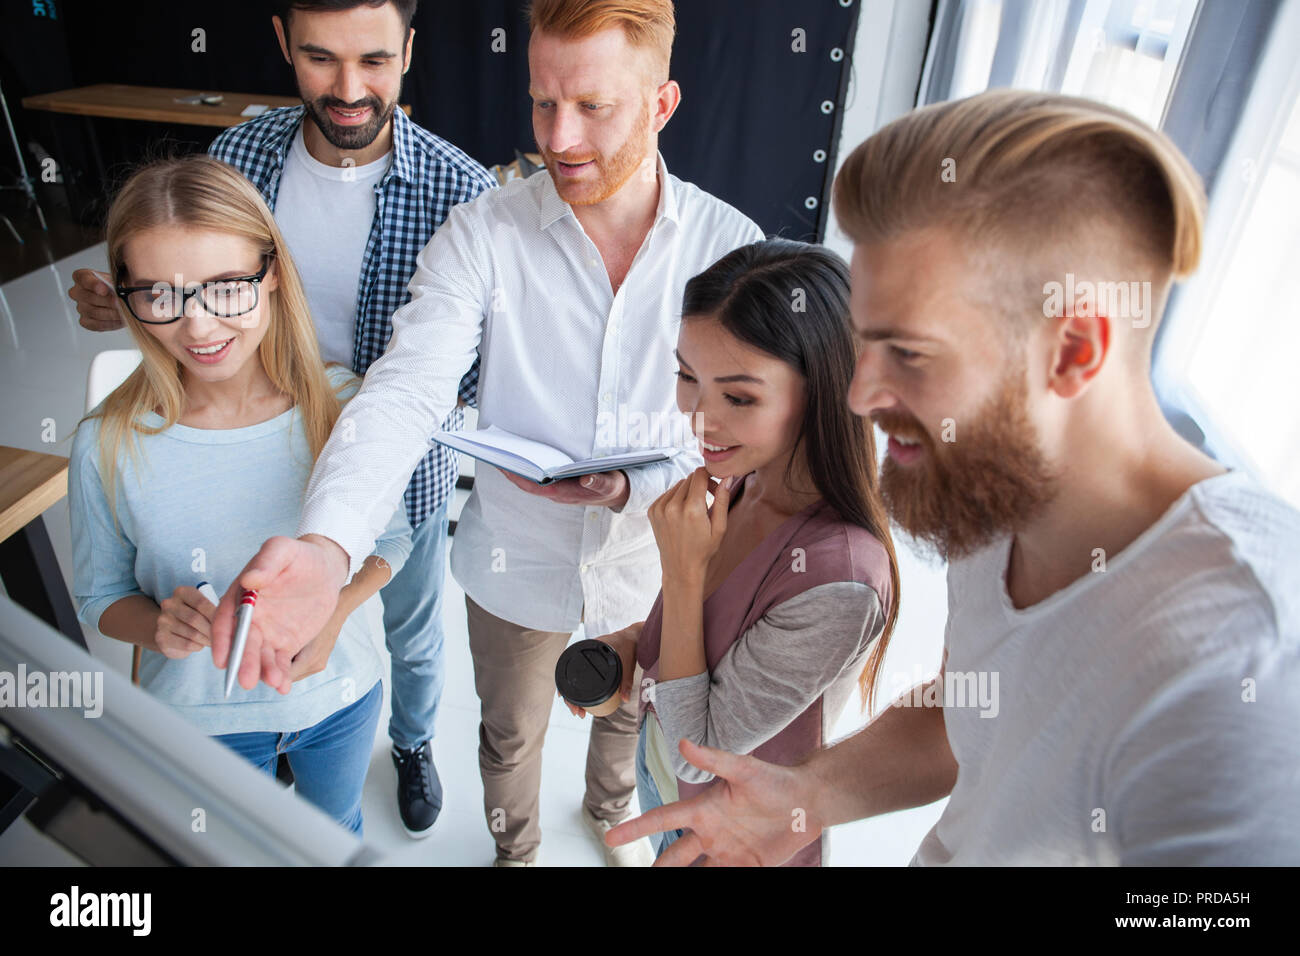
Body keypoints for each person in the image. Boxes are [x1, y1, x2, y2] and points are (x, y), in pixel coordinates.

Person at [605, 89, 1300, 866]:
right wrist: (804, 798)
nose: (860, 397)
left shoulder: (1244, 661)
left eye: (910, 354)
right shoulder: (993, 499)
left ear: (1074, 351)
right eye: (865, 344)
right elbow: (959, 710)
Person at [206, 0, 766, 867]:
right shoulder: (482, 231)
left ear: (662, 104)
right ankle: (516, 851)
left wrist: (637, 485)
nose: (559, 137)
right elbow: (406, 390)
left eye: (593, 107)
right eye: (543, 104)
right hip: (517, 562)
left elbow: (747, 436)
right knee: (508, 734)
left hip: (660, 563)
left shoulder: (732, 249)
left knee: (629, 718)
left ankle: (612, 817)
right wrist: (326, 546)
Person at [65, 0, 496, 838]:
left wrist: (336, 595)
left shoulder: (463, 191)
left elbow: (473, 376)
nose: (348, 88)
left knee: (406, 633)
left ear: (410, 48)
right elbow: (192, 271)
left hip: (381, 459)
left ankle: (409, 745)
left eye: (374, 61)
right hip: (247, 411)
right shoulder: (239, 152)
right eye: (320, 58)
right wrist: (138, 305)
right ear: (280, 44)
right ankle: (276, 739)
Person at [67, 155, 415, 836]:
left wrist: (335, 612)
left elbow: (393, 539)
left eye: (226, 287)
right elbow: (98, 597)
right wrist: (155, 626)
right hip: (201, 721)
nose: (198, 327)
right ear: (125, 293)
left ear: (274, 272)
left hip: (339, 698)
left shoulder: (341, 406)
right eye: (161, 295)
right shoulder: (106, 445)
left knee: (333, 830)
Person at [568, 239, 899, 866]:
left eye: (739, 398)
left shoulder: (842, 577)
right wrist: (637, 645)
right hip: (667, 795)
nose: (699, 419)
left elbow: (702, 740)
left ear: (824, 393)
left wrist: (682, 572)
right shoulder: (743, 478)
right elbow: (711, 641)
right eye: (687, 377)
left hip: (734, 842)